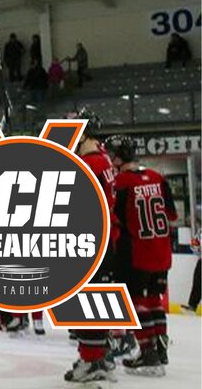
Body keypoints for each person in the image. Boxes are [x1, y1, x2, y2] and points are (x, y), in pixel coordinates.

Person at [107, 135, 177, 376]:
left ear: (117, 156)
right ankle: (159, 350)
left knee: (136, 302)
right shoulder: (157, 177)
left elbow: (113, 218)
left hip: (135, 252)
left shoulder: (122, 182)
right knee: (154, 300)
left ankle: (148, 355)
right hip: (162, 251)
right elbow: (172, 215)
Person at [65, 110, 119, 384]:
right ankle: (100, 357)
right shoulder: (104, 159)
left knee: (86, 302)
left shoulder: (88, 163)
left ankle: (91, 360)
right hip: (105, 240)